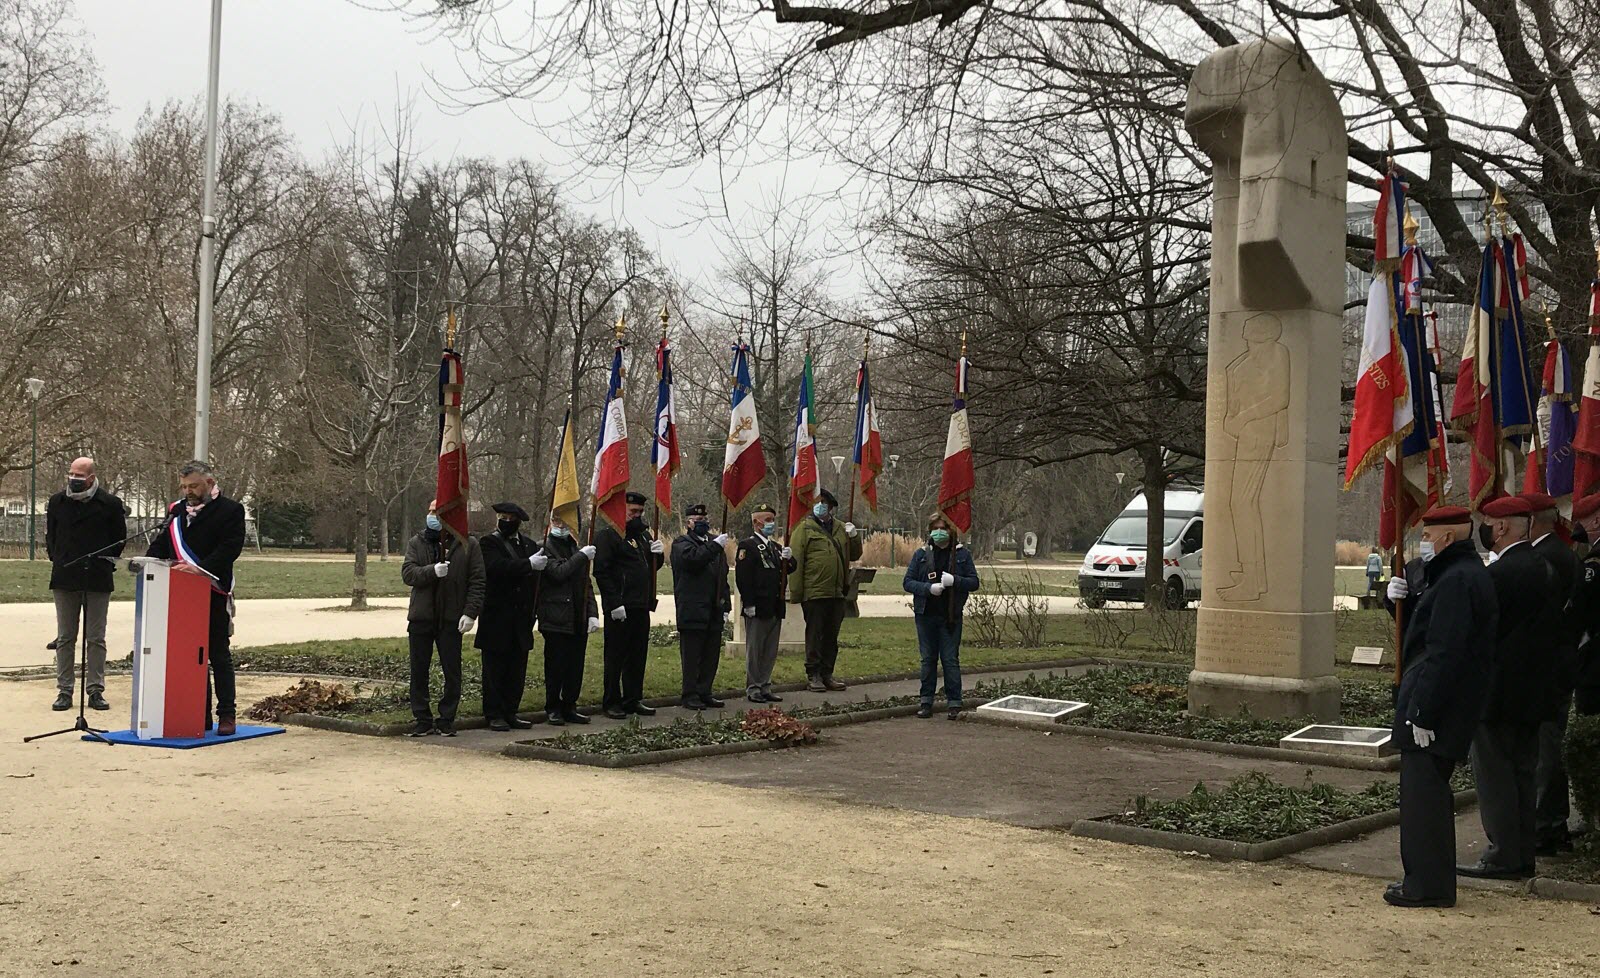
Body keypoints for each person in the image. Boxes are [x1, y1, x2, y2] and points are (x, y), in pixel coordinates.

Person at [1382, 506, 1496, 908]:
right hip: (1443, 700)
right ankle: (1426, 879)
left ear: (1447, 538)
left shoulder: (1456, 580)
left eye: (1429, 537)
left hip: (1438, 705)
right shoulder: (1453, 575)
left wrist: (1423, 712)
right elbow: (1424, 631)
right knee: (1424, 795)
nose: (1424, 544)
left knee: (1423, 799)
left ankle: (1427, 885)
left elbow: (1445, 653)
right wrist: (1397, 601)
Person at [1459, 494, 1559, 880]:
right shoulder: (1544, 566)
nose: (1486, 528)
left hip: (1497, 691)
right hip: (1534, 690)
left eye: (1488, 522)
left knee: (1495, 776)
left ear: (1500, 528)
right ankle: (1521, 852)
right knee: (1522, 773)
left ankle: (1502, 854)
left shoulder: (1500, 574)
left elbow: (1480, 628)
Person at [144, 461, 246, 735]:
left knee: (218, 655)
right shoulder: (176, 511)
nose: (188, 491)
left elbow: (230, 548)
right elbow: (163, 542)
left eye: (194, 486)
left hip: (212, 590)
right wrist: (146, 561)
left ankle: (227, 714)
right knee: (191, 657)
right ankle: (198, 715)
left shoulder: (231, 510)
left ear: (210, 483)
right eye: (184, 486)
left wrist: (199, 569)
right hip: (181, 595)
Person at [1524, 493, 1582, 856]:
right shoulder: (1563, 554)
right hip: (1560, 663)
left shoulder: (1544, 558)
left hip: (1544, 667)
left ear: (1533, 522)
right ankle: (1554, 824)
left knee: (1544, 751)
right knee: (1551, 748)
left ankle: (1545, 827)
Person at [44, 457, 126, 713]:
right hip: (65, 576)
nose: (73, 479)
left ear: (91, 477)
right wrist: (58, 558)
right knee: (66, 637)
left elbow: (119, 539)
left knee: (96, 637)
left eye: (79, 475)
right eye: (70, 474)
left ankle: (95, 690)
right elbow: (51, 535)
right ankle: (64, 690)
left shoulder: (110, 504)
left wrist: (104, 562)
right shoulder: (57, 502)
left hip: (98, 577)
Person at [400, 499, 485, 737]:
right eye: (431, 512)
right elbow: (408, 573)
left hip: (451, 617)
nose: (434, 516)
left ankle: (447, 718)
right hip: (422, 617)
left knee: (452, 670)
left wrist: (470, 613)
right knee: (419, 670)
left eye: (439, 513)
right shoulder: (417, 542)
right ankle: (422, 718)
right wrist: (431, 571)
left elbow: (477, 581)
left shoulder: (467, 544)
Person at [474, 502, 547, 732]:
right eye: (502, 517)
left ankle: (511, 711)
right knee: (495, 669)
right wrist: (528, 564)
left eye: (509, 518)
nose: (505, 521)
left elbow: (534, 580)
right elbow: (496, 567)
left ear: (518, 521)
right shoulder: (488, 543)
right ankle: (494, 713)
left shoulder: (528, 545)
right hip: (497, 617)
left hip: (521, 618)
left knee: (517, 670)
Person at [902, 513, 981, 719]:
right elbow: (908, 582)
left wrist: (955, 580)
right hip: (926, 615)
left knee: (950, 660)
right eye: (935, 528)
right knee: (928, 660)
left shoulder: (961, 555)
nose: (938, 532)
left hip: (950, 616)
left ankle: (954, 703)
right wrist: (928, 588)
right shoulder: (921, 554)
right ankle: (926, 701)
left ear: (950, 531)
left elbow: (974, 582)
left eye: (943, 528)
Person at [594, 491, 664, 719]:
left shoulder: (642, 536)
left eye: (640, 512)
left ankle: (633, 698)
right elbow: (601, 572)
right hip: (620, 607)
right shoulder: (609, 535)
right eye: (632, 511)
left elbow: (647, 568)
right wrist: (614, 603)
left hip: (640, 604)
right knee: (616, 656)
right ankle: (612, 701)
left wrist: (659, 556)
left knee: (637, 656)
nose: (637, 516)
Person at [787, 488, 863, 692]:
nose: (821, 507)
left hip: (837, 592)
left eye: (825, 504)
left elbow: (853, 555)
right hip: (814, 592)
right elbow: (797, 562)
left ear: (831, 507)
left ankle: (827, 673)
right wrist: (796, 593)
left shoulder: (839, 528)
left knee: (831, 636)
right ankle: (813, 674)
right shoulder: (804, 529)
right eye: (817, 503)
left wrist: (854, 536)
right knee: (815, 635)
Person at [535, 513, 598, 725]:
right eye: (556, 521)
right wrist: (581, 556)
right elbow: (558, 573)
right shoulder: (544, 547)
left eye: (565, 521)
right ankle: (553, 707)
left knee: (575, 666)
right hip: (556, 617)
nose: (561, 525)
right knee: (556, 666)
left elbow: (585, 583)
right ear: (550, 523)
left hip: (577, 616)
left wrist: (592, 613)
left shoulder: (573, 546)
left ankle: (570, 705)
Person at [671, 502, 732, 710]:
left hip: (714, 608)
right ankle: (690, 694)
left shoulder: (715, 543)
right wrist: (715, 546)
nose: (702, 523)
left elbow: (722, 576)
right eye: (698, 521)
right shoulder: (682, 543)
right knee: (692, 655)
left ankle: (705, 691)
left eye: (705, 520)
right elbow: (693, 560)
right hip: (692, 608)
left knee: (710, 655)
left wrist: (726, 605)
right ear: (688, 523)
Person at [735, 503, 793, 703]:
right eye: (767, 520)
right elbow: (743, 578)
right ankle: (753, 687)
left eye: (773, 520)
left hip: (775, 606)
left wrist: (789, 558)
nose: (772, 524)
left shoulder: (775, 547)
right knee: (756, 649)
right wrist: (748, 603)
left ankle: (765, 684)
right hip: (758, 606)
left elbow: (788, 569)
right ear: (756, 522)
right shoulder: (747, 546)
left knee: (770, 649)